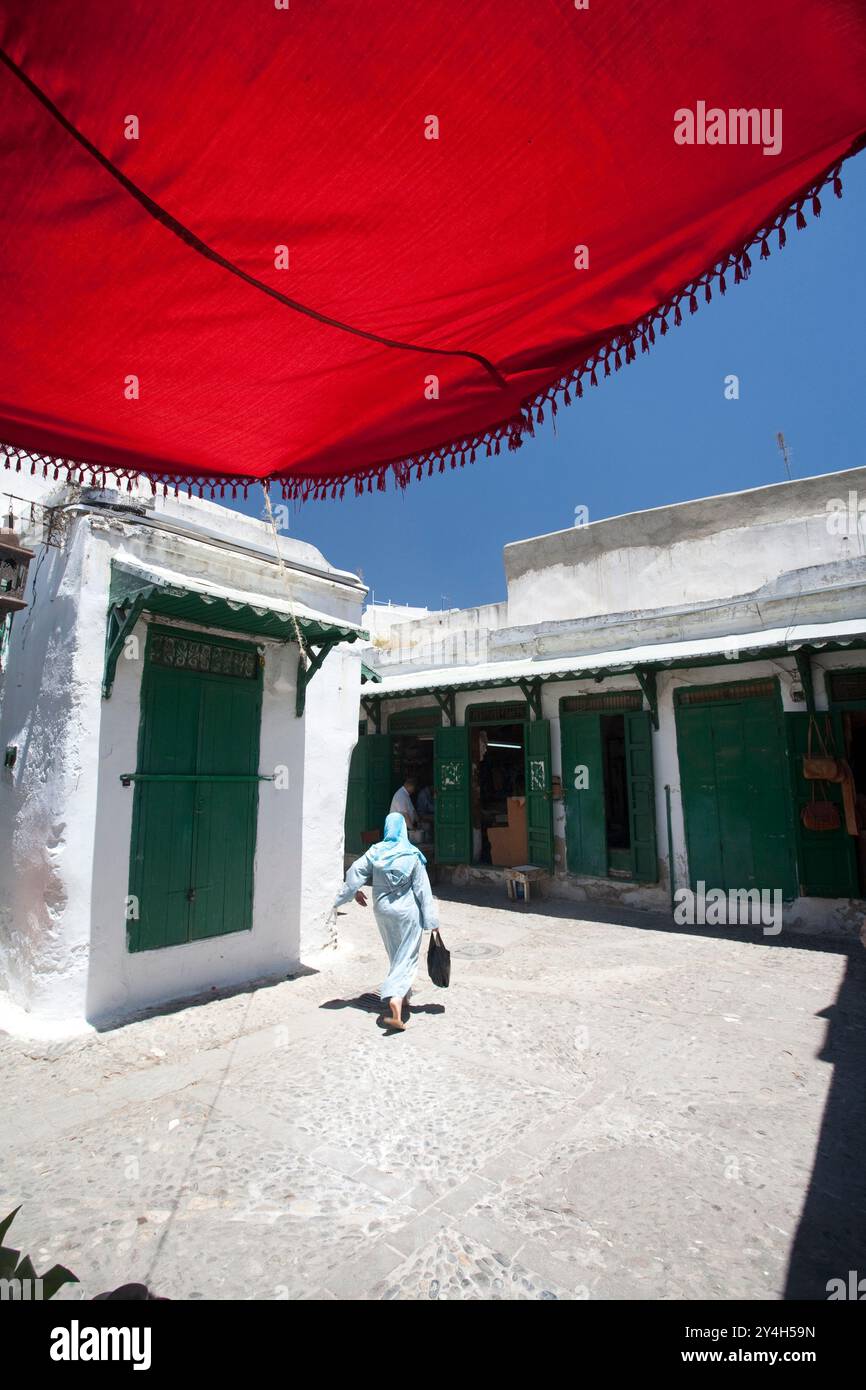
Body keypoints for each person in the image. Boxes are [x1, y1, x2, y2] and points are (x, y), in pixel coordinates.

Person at [332, 812, 438, 1031]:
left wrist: (349, 895)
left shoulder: (375, 851)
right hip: (407, 914)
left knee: (396, 954)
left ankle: (405, 995)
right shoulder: (411, 854)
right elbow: (423, 891)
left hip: (382, 912)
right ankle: (396, 1004)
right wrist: (432, 921)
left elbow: (354, 872)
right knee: (406, 957)